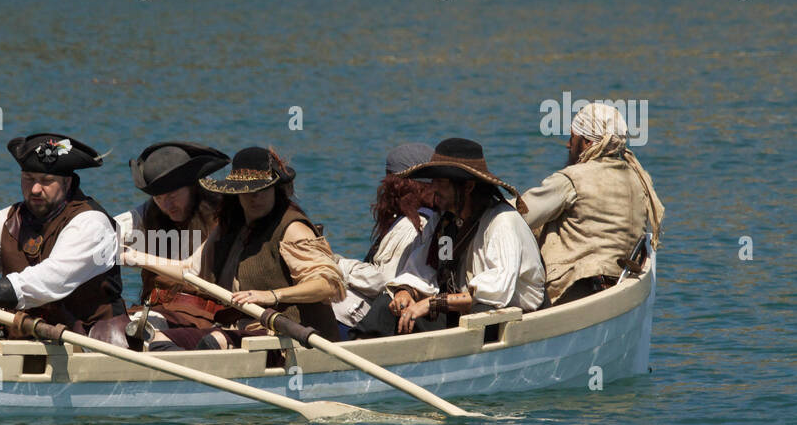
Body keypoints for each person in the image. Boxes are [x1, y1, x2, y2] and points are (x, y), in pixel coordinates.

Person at [126, 147, 345, 349]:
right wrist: (133, 256)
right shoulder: (229, 227)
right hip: (243, 330)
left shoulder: (293, 228)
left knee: (216, 341)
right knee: (156, 339)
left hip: (293, 336)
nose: (254, 198)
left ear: (275, 189)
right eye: (246, 191)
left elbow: (328, 285)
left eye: (262, 190)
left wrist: (272, 296)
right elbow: (191, 271)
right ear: (235, 192)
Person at [0, 134, 125, 333]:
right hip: (22, 341)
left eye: (46, 181)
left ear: (68, 183)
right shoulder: (9, 219)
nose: (35, 189)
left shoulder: (91, 223)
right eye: (28, 179)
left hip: (89, 344)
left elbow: (49, 280)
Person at [355, 139, 545, 338]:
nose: (433, 189)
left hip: (510, 318)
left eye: (441, 183)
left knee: (480, 312)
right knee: (387, 305)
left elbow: (493, 294)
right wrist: (405, 292)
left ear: (468, 187)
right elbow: (425, 270)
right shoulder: (445, 222)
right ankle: (354, 353)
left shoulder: (502, 222)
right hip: (460, 313)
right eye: (433, 181)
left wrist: (431, 303)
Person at [520, 103, 664, 306]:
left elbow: (519, 215)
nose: (568, 145)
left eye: (572, 137)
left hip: (576, 290)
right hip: (621, 281)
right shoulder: (638, 178)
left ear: (587, 142)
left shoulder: (572, 179)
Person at [114, 142, 229, 336]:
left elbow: (195, 271)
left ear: (193, 187)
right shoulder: (151, 212)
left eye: (172, 195)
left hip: (200, 319)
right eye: (158, 198)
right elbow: (113, 228)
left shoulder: (221, 218)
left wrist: (132, 256)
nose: (166, 205)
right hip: (152, 311)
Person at [333, 143, 437, 337]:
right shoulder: (432, 219)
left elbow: (384, 281)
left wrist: (336, 265)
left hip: (387, 313)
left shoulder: (411, 225)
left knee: (328, 299)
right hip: (401, 308)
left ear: (399, 186)